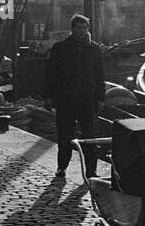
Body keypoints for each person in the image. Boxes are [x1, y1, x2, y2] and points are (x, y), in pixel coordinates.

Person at [44, 14, 104, 178]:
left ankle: (91, 170)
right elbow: (52, 73)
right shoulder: (61, 48)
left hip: (87, 99)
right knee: (64, 134)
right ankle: (62, 166)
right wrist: (48, 96)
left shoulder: (94, 49)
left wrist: (100, 98)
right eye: (79, 28)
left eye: (85, 28)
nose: (82, 31)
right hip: (66, 98)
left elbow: (99, 75)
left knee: (89, 136)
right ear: (72, 29)